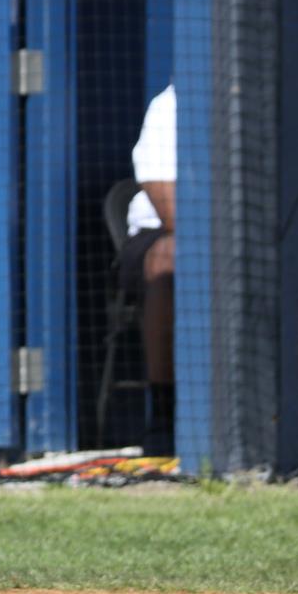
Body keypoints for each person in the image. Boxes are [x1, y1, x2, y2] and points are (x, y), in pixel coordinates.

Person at [120, 82, 176, 457]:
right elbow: (158, 184)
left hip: (240, 237)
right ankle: (163, 411)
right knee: (171, 257)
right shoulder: (171, 104)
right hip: (163, 231)